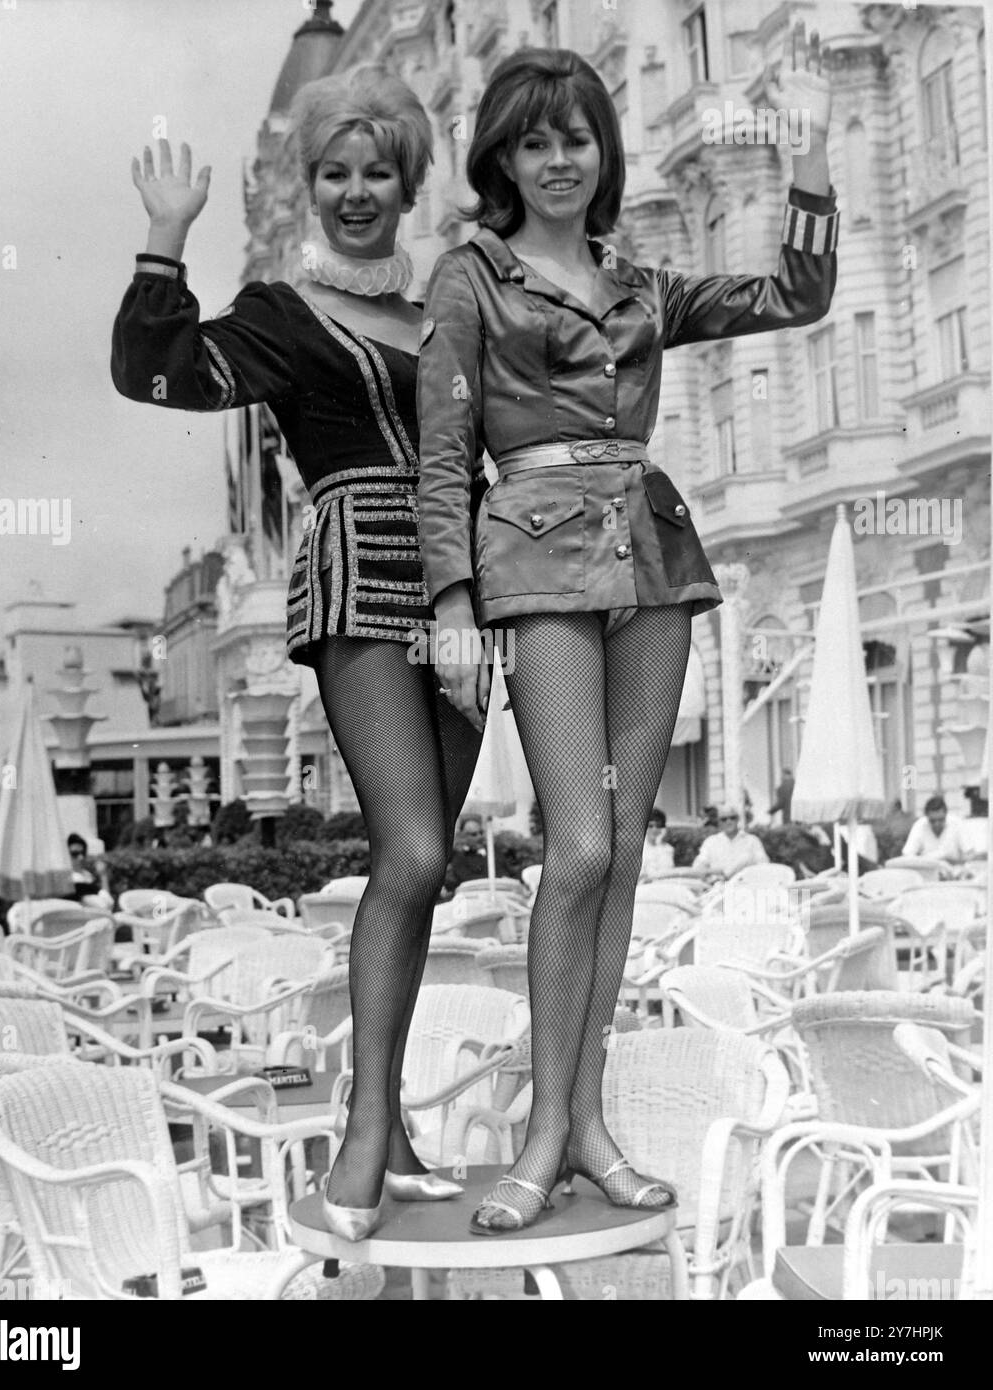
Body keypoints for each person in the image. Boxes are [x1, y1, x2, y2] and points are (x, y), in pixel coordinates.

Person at [417, 30, 837, 1233]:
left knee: (629, 856)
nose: (558, 159)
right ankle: (545, 1128)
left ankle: (586, 1122)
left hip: (651, 553)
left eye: (576, 137)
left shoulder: (641, 282)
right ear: (502, 155)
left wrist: (804, 162)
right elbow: (444, 452)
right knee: (582, 847)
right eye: (534, 141)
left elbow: (794, 294)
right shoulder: (471, 276)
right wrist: (452, 602)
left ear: (604, 150)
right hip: (536, 563)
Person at [111, 67, 485, 1242]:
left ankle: (398, 1128)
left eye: (379, 171)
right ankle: (363, 1128)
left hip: (464, 592)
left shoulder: (441, 315)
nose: (357, 192)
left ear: (409, 182)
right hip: (357, 575)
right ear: (309, 186)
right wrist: (164, 240)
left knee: (422, 876)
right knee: (412, 846)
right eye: (335, 173)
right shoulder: (282, 311)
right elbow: (154, 372)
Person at [691, 806, 771, 882]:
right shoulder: (710, 842)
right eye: (724, 819)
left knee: (747, 857)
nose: (728, 821)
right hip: (718, 887)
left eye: (732, 818)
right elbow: (698, 867)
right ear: (719, 821)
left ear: (738, 819)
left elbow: (764, 866)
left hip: (745, 886)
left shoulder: (752, 841)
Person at [901, 794, 971, 871]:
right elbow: (907, 856)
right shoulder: (919, 826)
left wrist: (952, 861)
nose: (937, 824)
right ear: (926, 817)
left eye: (941, 820)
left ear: (946, 815)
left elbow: (970, 854)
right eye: (932, 821)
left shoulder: (957, 823)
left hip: (954, 872)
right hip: (927, 872)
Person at [639, 808, 675, 879]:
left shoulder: (668, 849)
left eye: (658, 826)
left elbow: (667, 871)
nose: (654, 829)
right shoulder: (639, 848)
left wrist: (659, 844)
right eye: (650, 826)